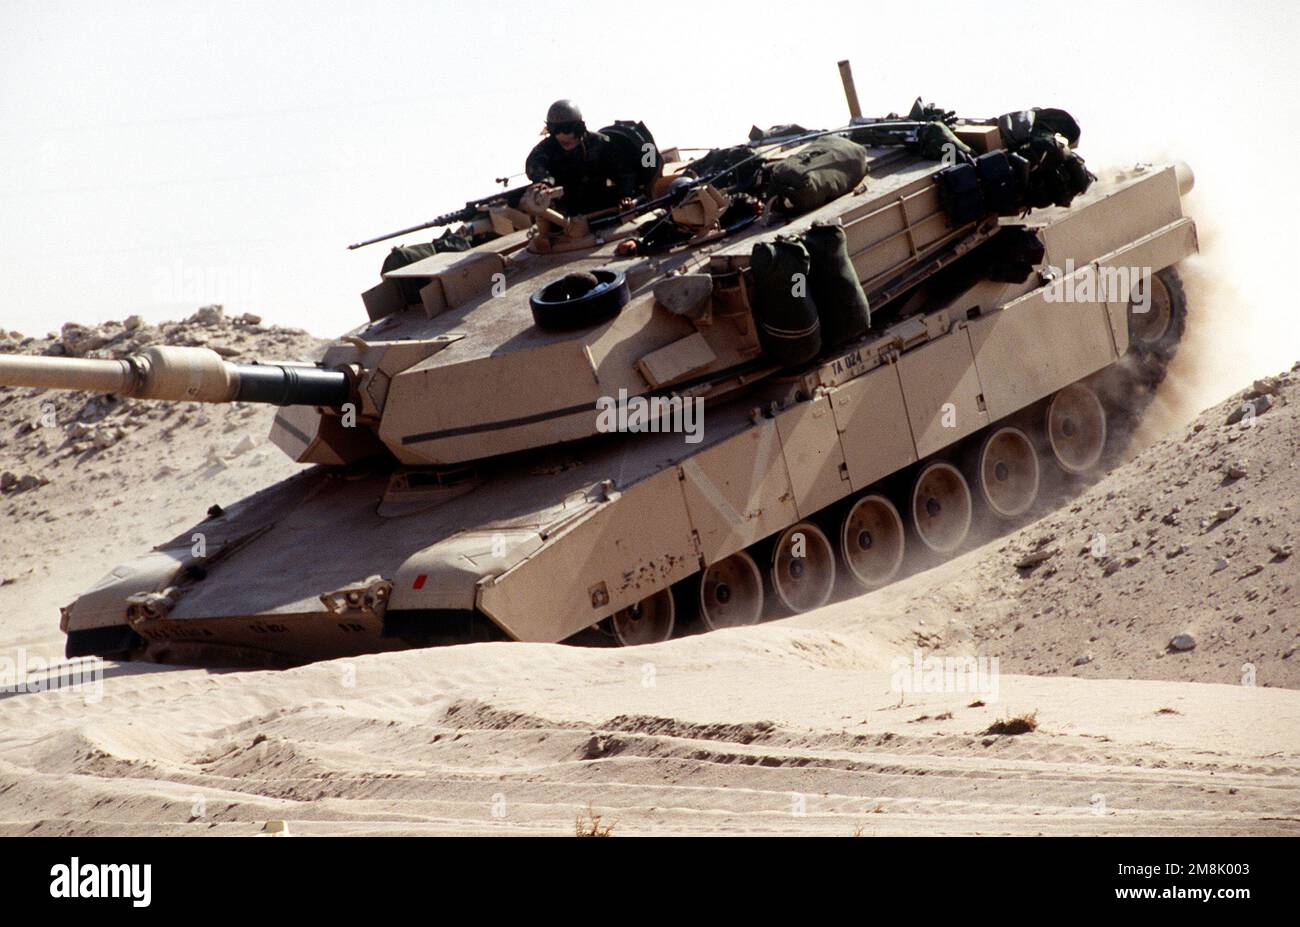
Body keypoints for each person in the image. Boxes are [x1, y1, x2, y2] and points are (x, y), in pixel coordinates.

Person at [525, 100, 640, 216]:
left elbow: (622, 172)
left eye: (566, 129)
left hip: (601, 204)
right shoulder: (545, 149)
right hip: (564, 212)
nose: (562, 136)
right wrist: (545, 182)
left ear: (578, 128)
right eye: (556, 130)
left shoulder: (600, 143)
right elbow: (535, 165)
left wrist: (626, 195)